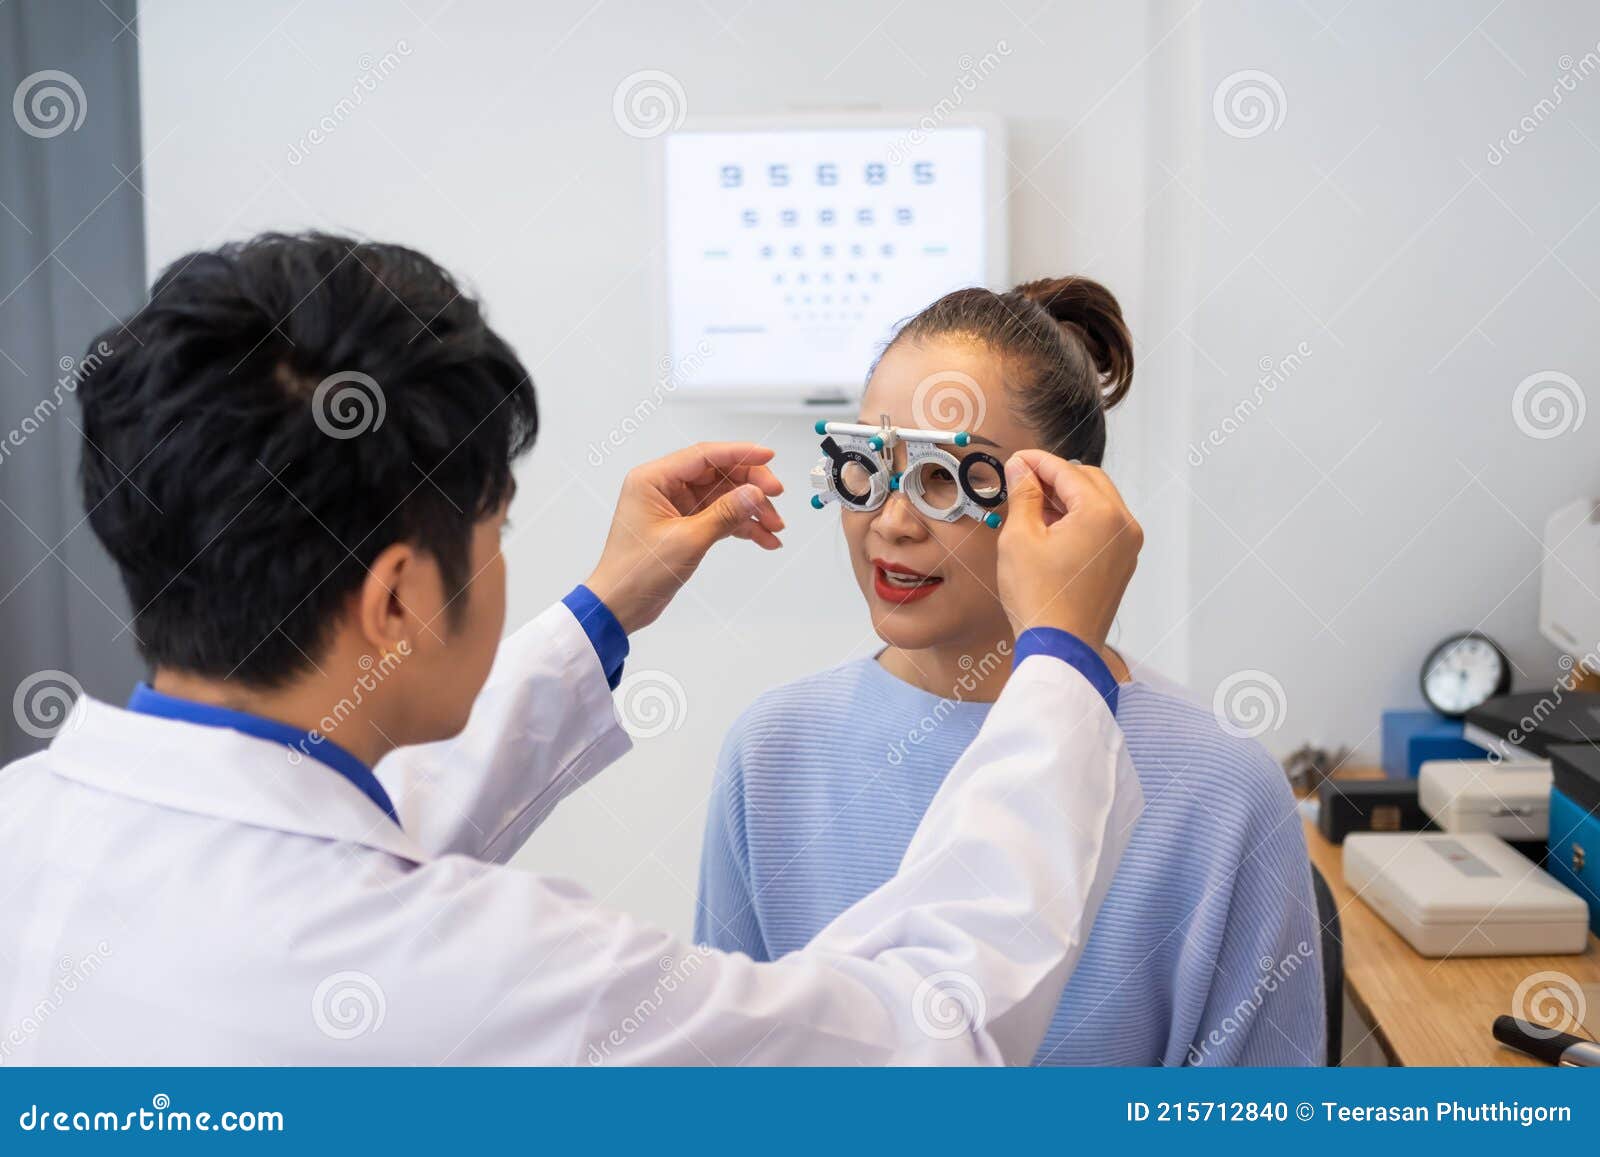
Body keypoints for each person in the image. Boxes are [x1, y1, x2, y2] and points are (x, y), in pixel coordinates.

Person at [0, 234, 1147, 1065]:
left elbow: (316, 822)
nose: (898, 516)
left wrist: (608, 605)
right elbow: (919, 1038)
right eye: (494, 532)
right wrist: (1059, 664)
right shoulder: (495, 974)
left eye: (950, 476)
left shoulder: (35, 825)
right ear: (396, 594)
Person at [696, 276, 1325, 1066]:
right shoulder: (772, 753)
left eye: (944, 479)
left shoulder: (1221, 787)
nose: (892, 522)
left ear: (1063, 506)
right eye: (868, 465)